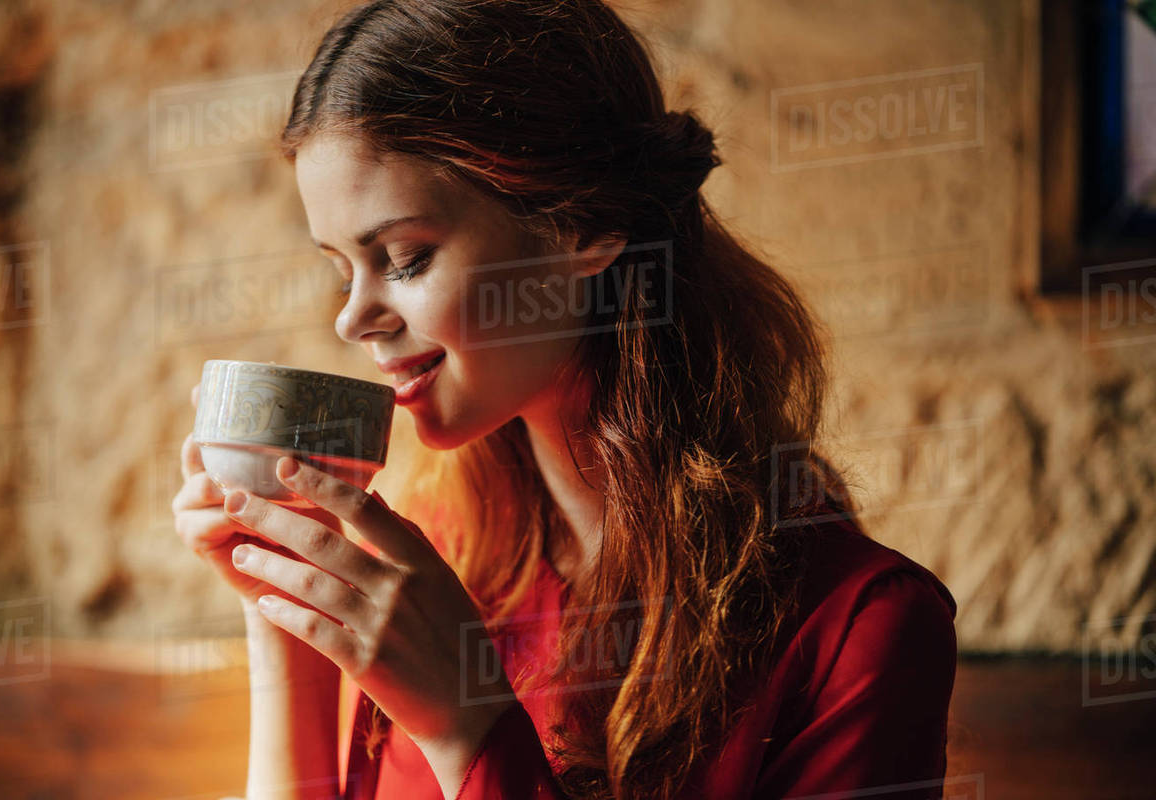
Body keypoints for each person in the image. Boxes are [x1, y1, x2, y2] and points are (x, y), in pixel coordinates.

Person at [171, 1, 958, 799]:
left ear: (589, 226)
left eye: (405, 259)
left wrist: (465, 730)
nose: (352, 318)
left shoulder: (860, 630)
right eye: (344, 269)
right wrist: (284, 617)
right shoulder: (445, 560)